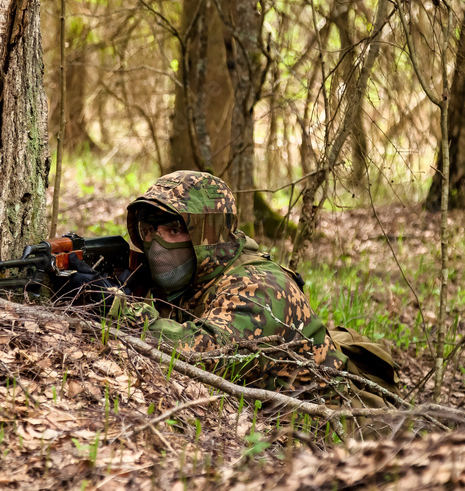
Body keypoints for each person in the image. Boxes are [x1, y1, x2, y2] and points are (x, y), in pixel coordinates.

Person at [68, 170, 398, 402]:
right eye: (149, 230)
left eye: (172, 230)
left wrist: (116, 307)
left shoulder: (259, 286)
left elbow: (209, 355)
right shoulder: (195, 274)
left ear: (206, 236)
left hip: (334, 427)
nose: (155, 242)